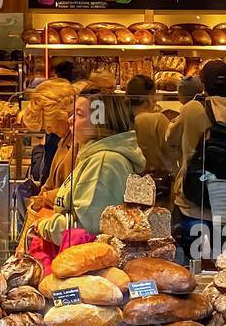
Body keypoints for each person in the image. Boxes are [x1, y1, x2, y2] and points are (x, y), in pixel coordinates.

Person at [170, 61, 226, 262]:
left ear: (204, 84)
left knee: (190, 267)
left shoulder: (192, 109)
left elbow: (170, 139)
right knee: (225, 266)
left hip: (191, 203)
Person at [36, 87, 145, 245]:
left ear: (100, 121)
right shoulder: (95, 156)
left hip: (88, 261)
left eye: (79, 114)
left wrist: (45, 225)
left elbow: (87, 227)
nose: (70, 120)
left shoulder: (104, 162)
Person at [18, 77, 77, 198]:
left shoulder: (79, 141)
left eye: (48, 125)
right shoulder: (65, 139)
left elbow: (75, 191)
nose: (48, 130)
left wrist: (45, 197)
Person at [126, 75, 171, 195]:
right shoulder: (157, 120)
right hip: (157, 187)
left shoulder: (123, 120)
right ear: (150, 98)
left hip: (130, 187)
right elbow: (172, 151)